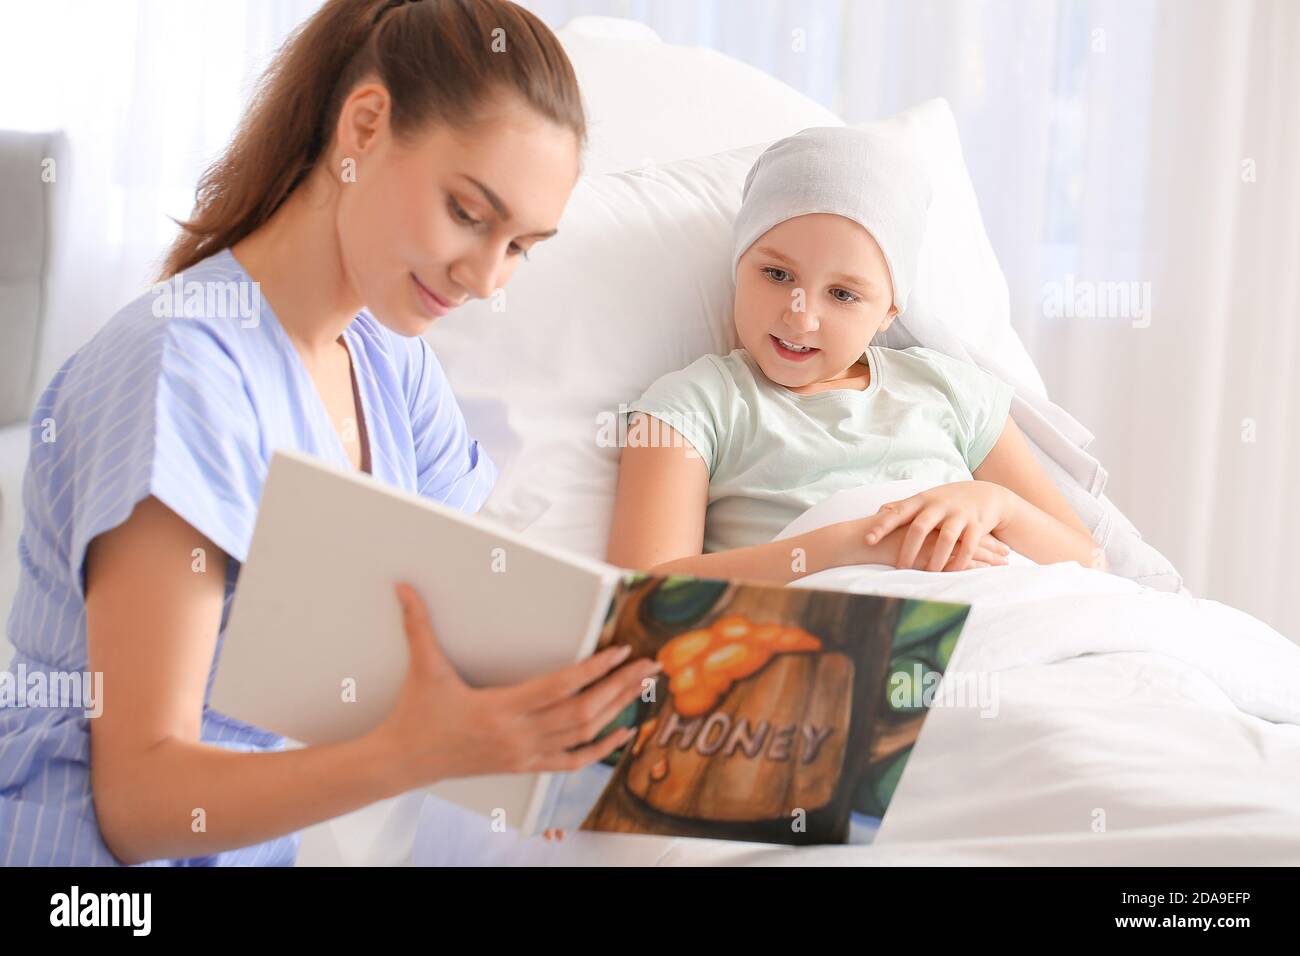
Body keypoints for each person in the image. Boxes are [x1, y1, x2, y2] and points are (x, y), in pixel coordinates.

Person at [0, 0, 658, 867]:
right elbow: (137, 800)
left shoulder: (389, 361)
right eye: (467, 212)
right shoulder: (184, 372)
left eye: (521, 246)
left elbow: (496, 612)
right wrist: (413, 753)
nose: (486, 278)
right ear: (366, 125)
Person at [608, 125, 1104, 583]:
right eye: (778, 276)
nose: (801, 317)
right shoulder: (693, 406)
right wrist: (843, 546)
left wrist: (998, 506)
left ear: (889, 311)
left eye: (843, 294)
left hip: (994, 623)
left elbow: (1092, 565)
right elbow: (642, 593)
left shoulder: (952, 392)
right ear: (740, 266)